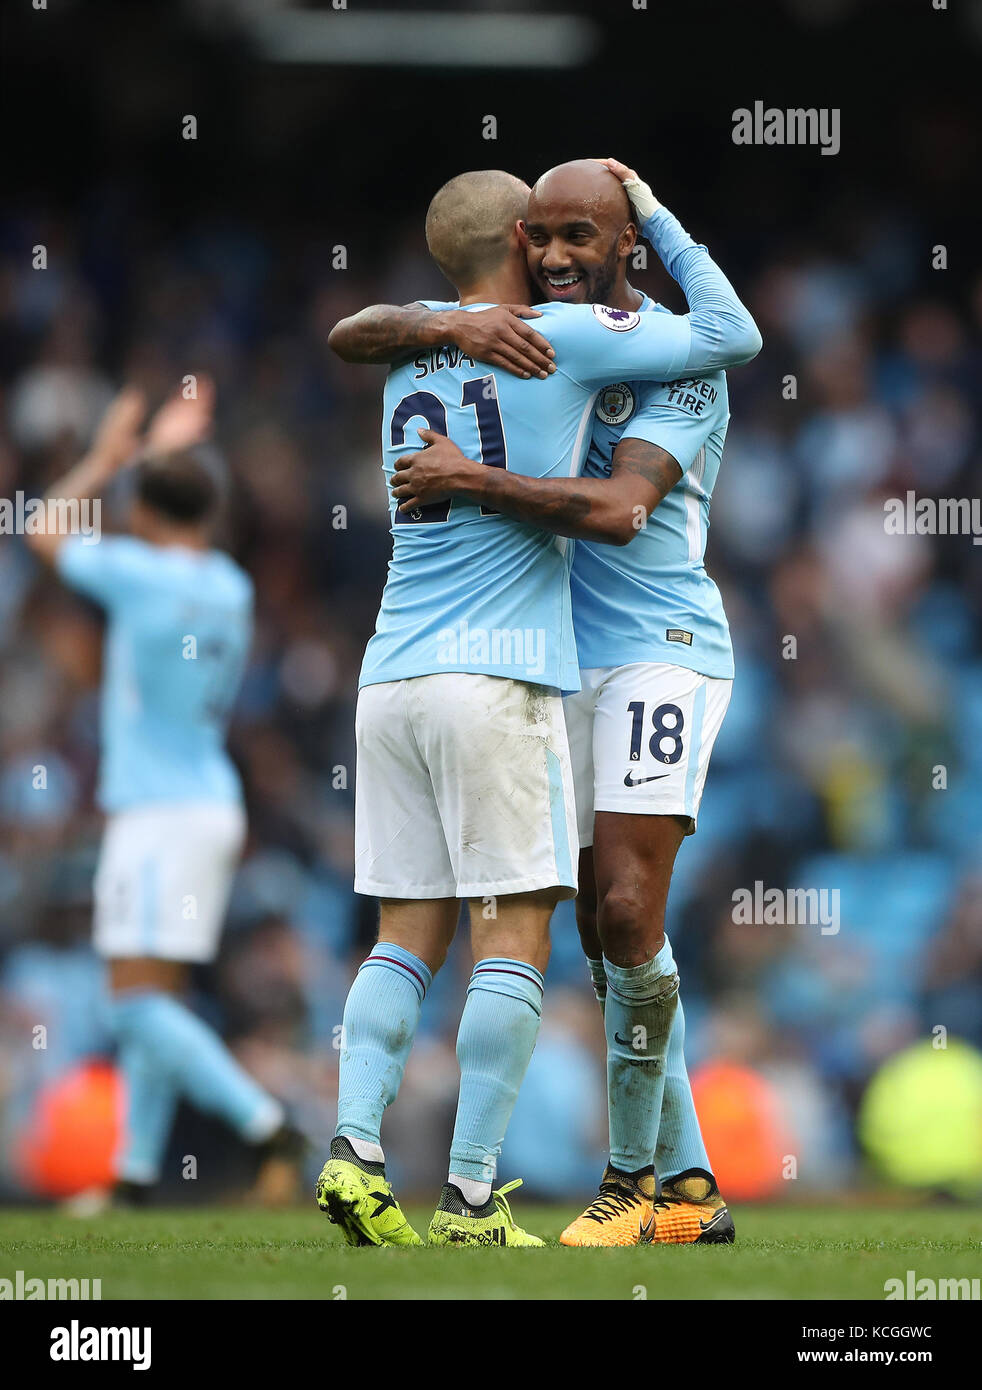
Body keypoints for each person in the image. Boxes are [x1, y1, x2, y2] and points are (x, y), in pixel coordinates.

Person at [321, 160, 760, 1247]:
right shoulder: (510, 335)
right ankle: (689, 1185)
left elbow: (618, 508)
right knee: (599, 934)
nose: (559, 257)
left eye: (581, 237)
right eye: (544, 237)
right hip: (548, 659)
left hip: (658, 651)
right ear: (519, 240)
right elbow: (364, 326)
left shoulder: (673, 355)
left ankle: (628, 1180)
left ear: (627, 247)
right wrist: (458, 326)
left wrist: (471, 474)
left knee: (620, 910)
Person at [27, 381, 291, 1202]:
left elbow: (42, 529)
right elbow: (170, 515)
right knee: (158, 1003)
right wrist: (161, 459)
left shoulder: (136, 575)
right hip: (211, 808)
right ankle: (135, 1175)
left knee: (134, 1010)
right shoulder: (231, 587)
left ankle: (265, 1122)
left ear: (141, 511)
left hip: (152, 814)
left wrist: (112, 454)